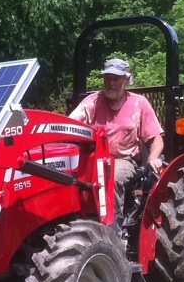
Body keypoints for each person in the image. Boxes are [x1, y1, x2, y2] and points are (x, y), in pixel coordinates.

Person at [69, 57, 164, 222]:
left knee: (109, 174)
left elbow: (156, 138)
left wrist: (153, 158)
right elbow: (70, 125)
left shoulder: (139, 104)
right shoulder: (92, 102)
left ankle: (112, 228)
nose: (111, 83)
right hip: (90, 159)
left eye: (116, 78)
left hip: (123, 159)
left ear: (126, 80)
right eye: (108, 78)